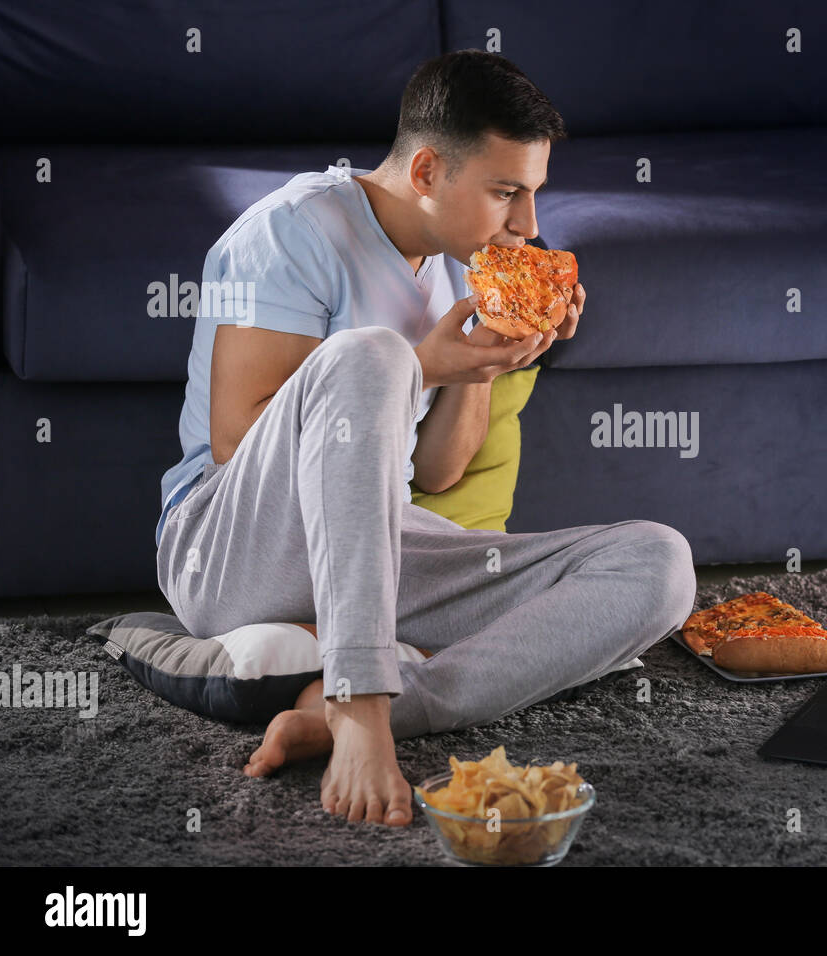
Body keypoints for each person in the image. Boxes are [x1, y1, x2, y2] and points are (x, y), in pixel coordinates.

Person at [155, 50, 697, 827]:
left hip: (373, 546)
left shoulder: (457, 266)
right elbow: (237, 443)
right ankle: (360, 707)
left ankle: (383, 704)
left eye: (534, 194)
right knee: (369, 354)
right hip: (229, 550)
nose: (529, 226)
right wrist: (415, 363)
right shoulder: (286, 233)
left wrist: (490, 356)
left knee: (658, 561)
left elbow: (439, 473)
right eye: (507, 193)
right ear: (427, 172)